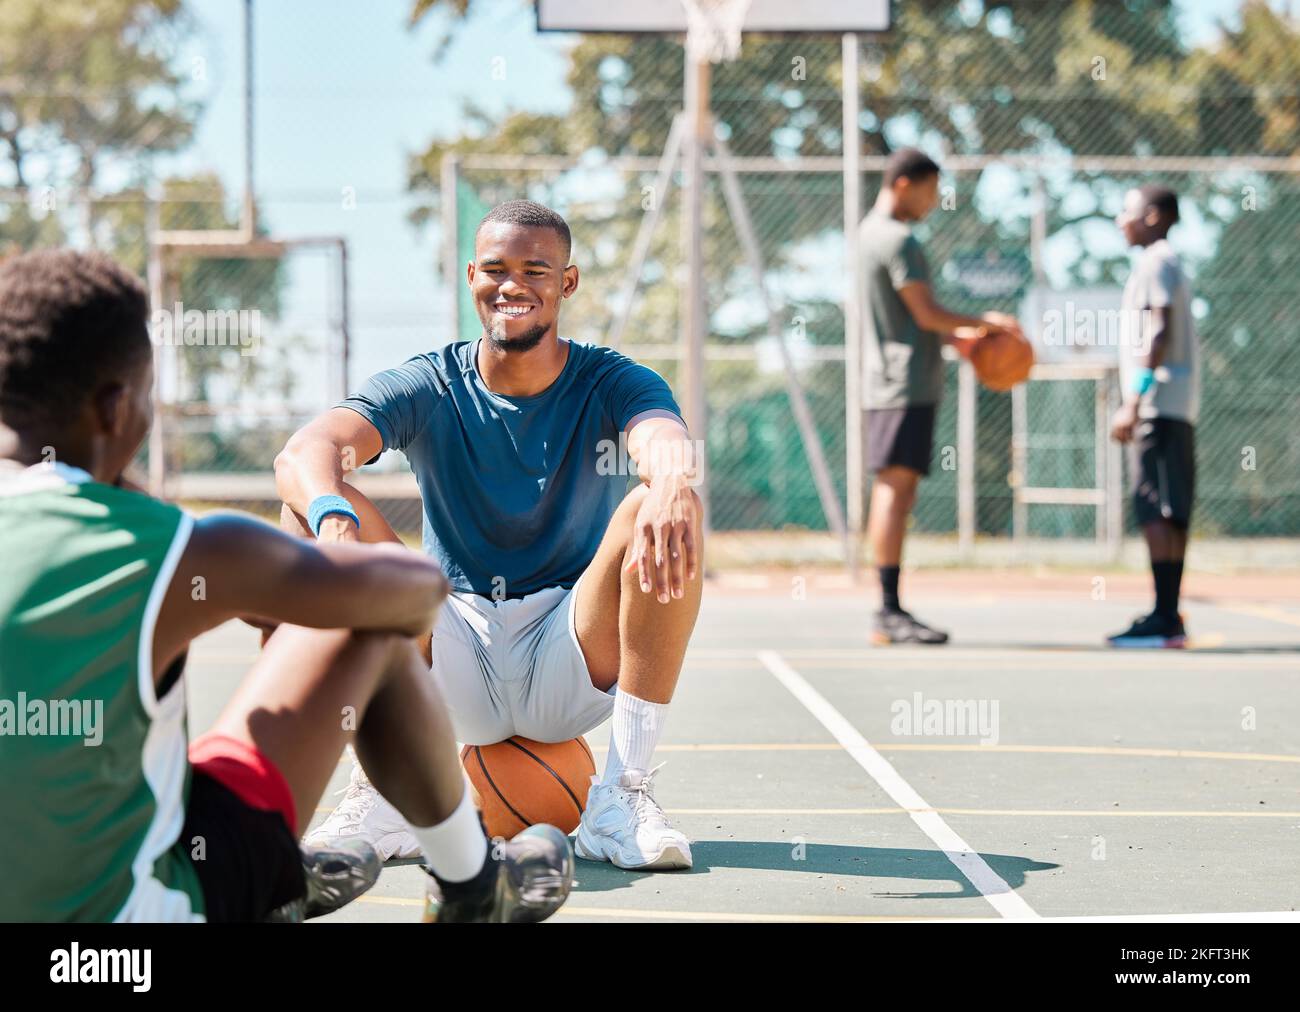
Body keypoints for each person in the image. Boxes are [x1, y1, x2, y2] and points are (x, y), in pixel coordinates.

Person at [0, 249, 572, 922]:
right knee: (368, 628)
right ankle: (475, 886)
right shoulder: (170, 547)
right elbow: (414, 590)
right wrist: (294, 593)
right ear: (115, 406)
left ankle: (277, 875)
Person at [277, 200, 704, 871]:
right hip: (447, 650)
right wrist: (334, 520)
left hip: (569, 649)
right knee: (303, 509)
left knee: (667, 501)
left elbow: (661, 438)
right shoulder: (432, 380)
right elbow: (304, 450)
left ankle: (621, 795)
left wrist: (674, 480)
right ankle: (383, 791)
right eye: (497, 269)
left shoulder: (611, 378)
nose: (514, 285)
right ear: (472, 277)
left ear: (567, 283)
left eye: (536, 270)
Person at [859, 148, 1023, 645]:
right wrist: (985, 322)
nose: (933, 204)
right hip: (902, 383)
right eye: (931, 192)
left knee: (896, 489)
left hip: (888, 380)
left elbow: (916, 321)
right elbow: (927, 314)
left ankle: (888, 608)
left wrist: (962, 339)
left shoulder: (868, 234)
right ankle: (887, 610)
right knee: (895, 489)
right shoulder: (899, 239)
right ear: (906, 184)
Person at [1108, 185, 1199, 648]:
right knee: (1172, 509)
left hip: (1157, 405)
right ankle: (1169, 613)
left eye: (1128, 211)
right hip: (1173, 405)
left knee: (1156, 508)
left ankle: (1164, 616)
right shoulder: (1167, 261)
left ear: (1155, 215)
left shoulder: (1156, 261)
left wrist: (1134, 399)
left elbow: (1158, 327)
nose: (1121, 220)